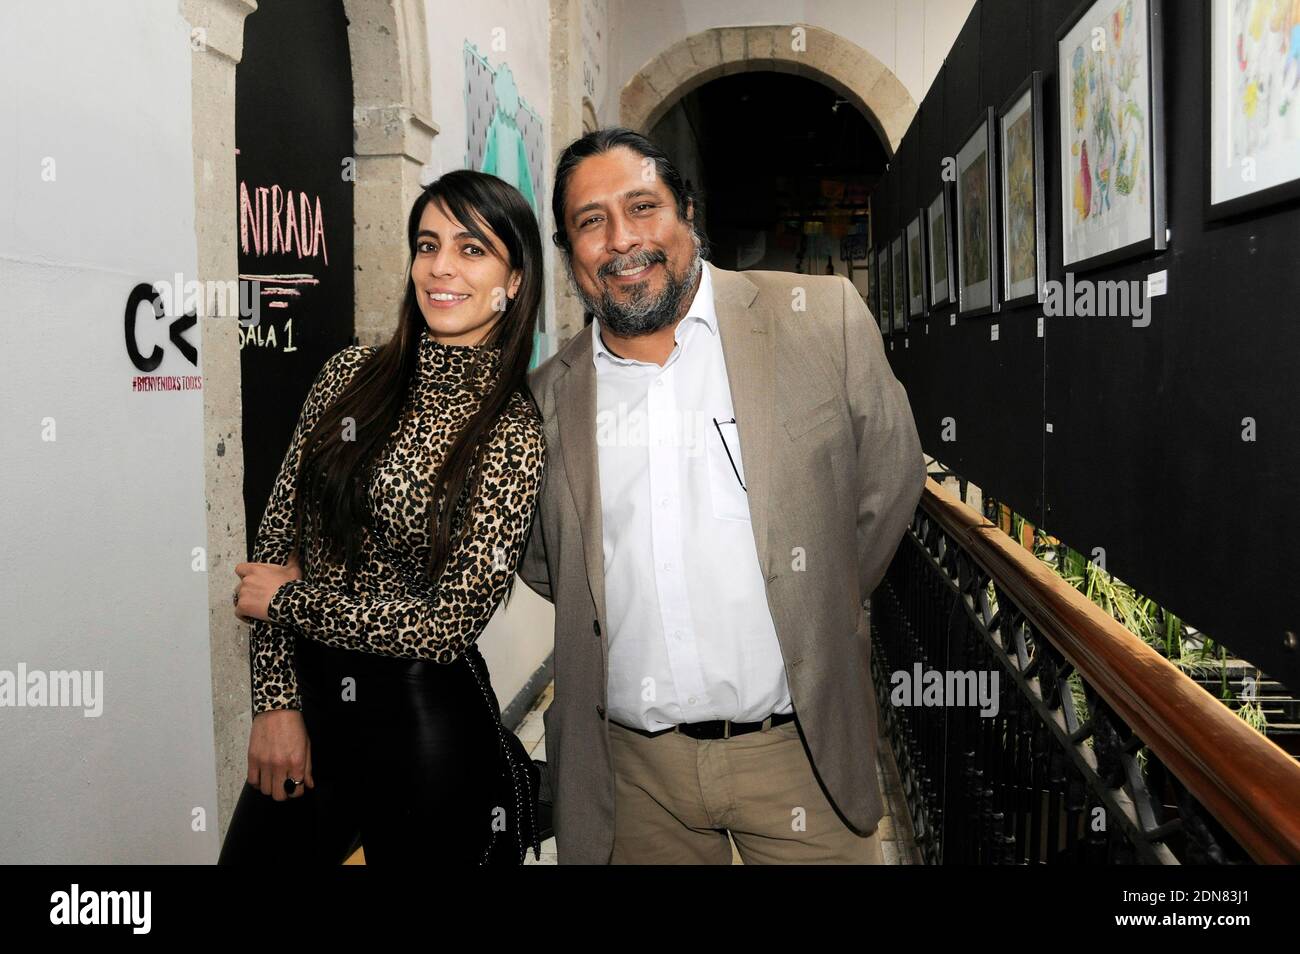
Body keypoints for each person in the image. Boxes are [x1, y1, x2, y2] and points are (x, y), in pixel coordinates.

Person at [518, 128, 926, 864]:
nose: (621, 239)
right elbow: (548, 562)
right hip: (633, 779)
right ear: (568, 249)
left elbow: (890, 478)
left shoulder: (821, 319)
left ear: (687, 215)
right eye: (591, 220)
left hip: (797, 757)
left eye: (643, 207)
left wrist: (815, 594)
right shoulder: (546, 399)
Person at [219, 170, 546, 865]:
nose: (441, 267)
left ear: (513, 280)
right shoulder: (348, 377)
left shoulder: (511, 431)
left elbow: (446, 623)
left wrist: (292, 602)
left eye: (472, 249)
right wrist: (277, 702)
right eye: (427, 245)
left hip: (424, 729)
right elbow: (275, 546)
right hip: (308, 706)